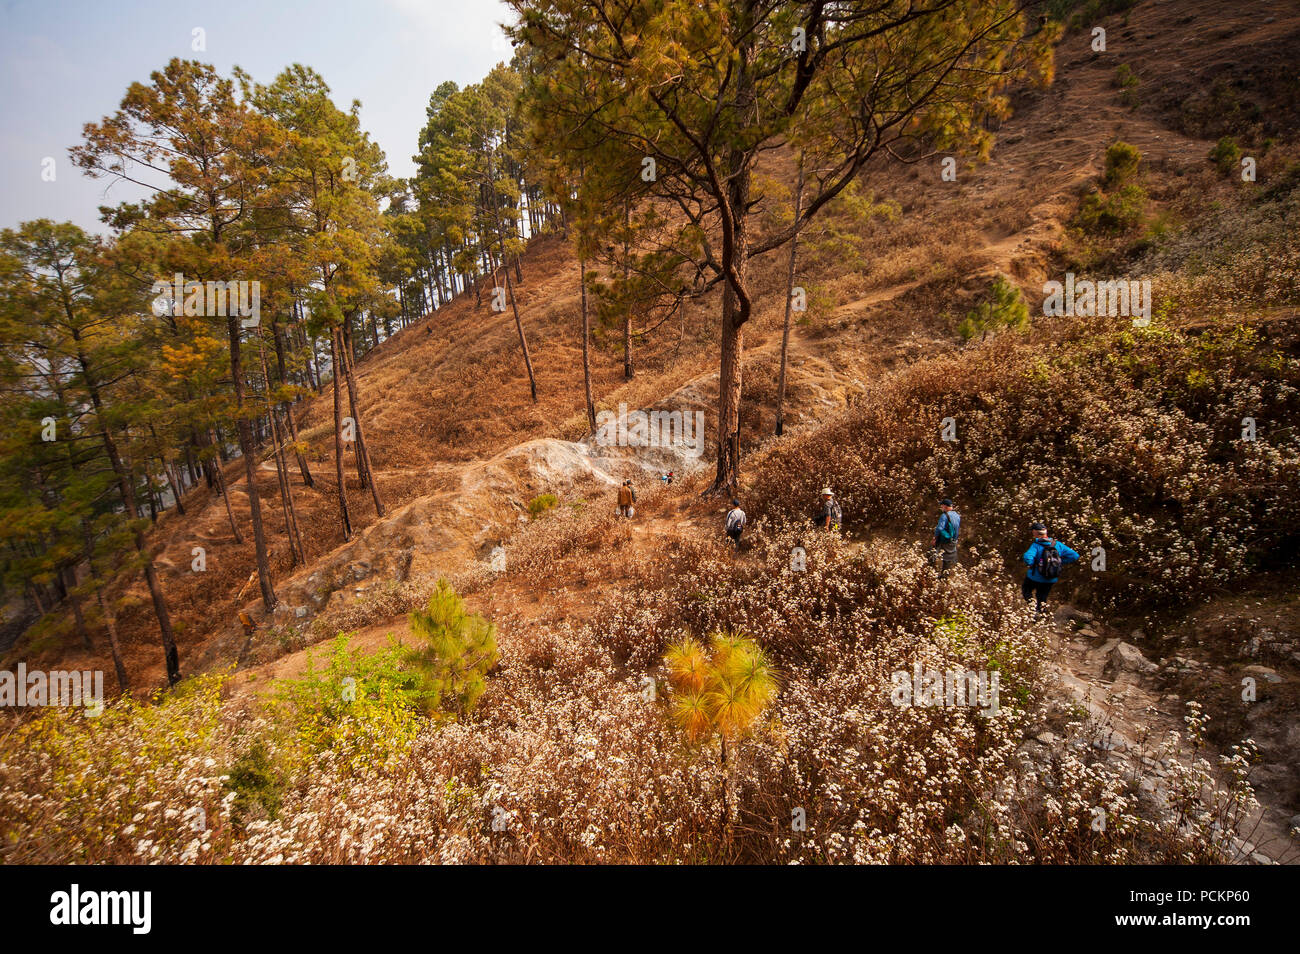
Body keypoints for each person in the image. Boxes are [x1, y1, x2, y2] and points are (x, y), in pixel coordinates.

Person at [1022, 521, 1079, 615]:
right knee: (1042, 597)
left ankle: (1032, 607)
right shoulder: (1058, 544)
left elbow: (1028, 557)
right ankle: (1041, 616)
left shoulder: (1036, 545)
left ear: (1035, 532)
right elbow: (1075, 556)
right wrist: (1059, 562)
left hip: (1034, 576)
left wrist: (1033, 564)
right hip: (1050, 578)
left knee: (1026, 590)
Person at [933, 498, 961, 574]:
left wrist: (935, 538)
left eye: (942, 506)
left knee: (932, 554)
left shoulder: (944, 515)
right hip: (953, 541)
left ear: (945, 506)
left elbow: (939, 528)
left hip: (945, 540)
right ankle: (945, 577)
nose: (941, 507)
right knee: (948, 561)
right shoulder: (957, 516)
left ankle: (931, 573)